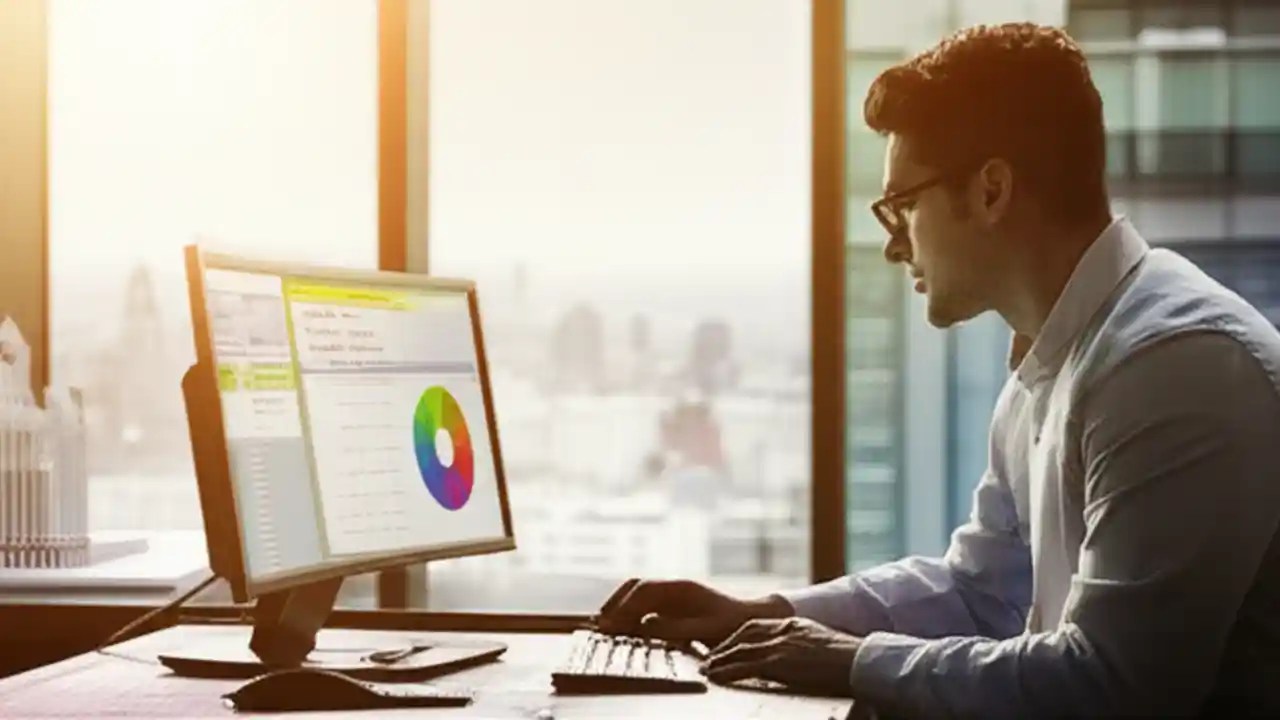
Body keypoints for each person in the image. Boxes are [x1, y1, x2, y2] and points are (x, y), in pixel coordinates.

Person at [595, 22, 1280, 718]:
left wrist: (852, 660)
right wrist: (761, 611)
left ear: (990, 191)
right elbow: (976, 593)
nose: (894, 248)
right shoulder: (1051, 364)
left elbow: (1112, 683)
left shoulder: (1175, 368)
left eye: (903, 207)